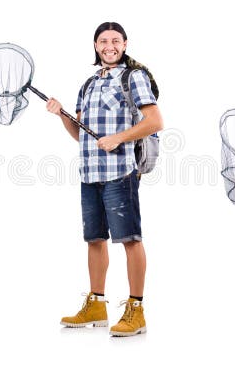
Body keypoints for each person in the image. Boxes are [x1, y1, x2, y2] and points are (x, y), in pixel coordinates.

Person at [46, 22, 163, 337]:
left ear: (124, 44)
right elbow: (79, 134)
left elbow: (155, 121)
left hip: (120, 172)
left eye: (115, 40)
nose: (109, 46)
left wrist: (118, 138)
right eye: (103, 41)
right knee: (95, 239)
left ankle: (136, 311)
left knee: (130, 239)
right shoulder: (88, 84)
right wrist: (61, 114)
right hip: (90, 173)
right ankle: (96, 305)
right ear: (95, 45)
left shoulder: (133, 77)